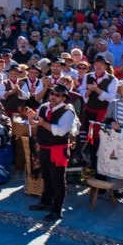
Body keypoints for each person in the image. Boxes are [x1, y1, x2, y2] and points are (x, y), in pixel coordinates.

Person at [29, 83, 77, 223]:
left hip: (57, 150)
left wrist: (42, 124)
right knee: (46, 176)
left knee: (58, 180)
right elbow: (35, 122)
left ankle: (57, 210)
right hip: (44, 147)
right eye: (52, 94)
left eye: (57, 95)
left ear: (63, 98)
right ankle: (46, 202)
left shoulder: (68, 112)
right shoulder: (43, 107)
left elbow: (61, 131)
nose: (53, 97)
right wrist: (32, 119)